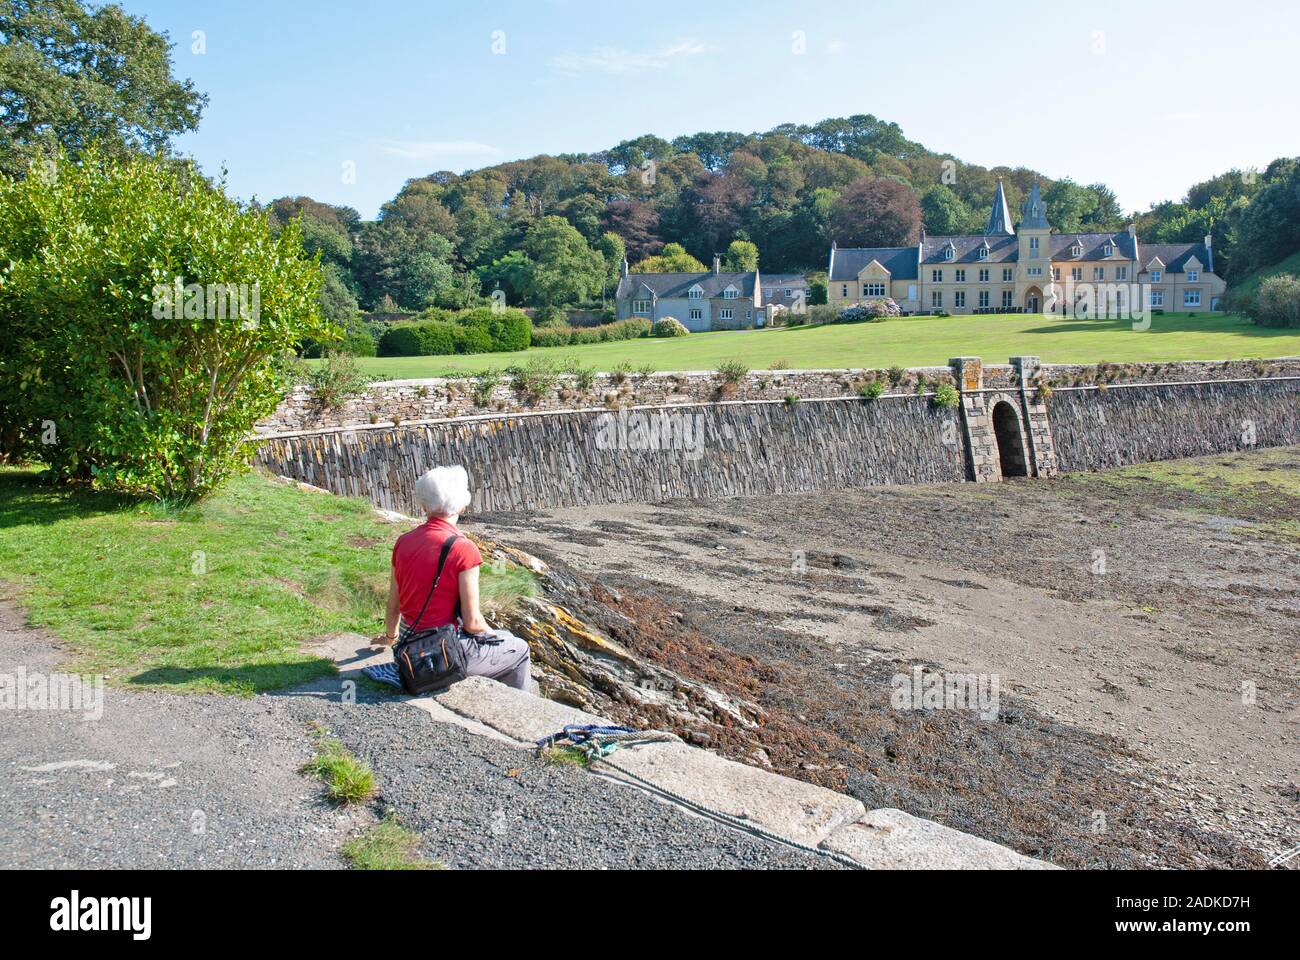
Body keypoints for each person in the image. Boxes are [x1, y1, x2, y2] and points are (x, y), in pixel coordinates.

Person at [376, 465, 532, 692]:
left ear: (423, 505)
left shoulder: (403, 542)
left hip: (411, 646)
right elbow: (473, 622)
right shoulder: (464, 549)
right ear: (461, 504)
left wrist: (391, 637)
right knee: (518, 649)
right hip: (444, 652)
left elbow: (394, 605)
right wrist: (492, 638)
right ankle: (518, 713)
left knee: (504, 637)